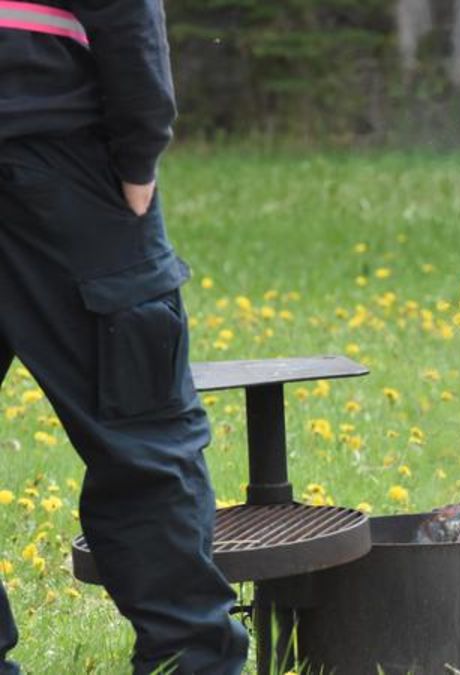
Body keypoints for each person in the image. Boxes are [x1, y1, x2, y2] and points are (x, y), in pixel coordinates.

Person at [0, 1, 247, 672]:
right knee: (142, 436)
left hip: (52, 145)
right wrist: (139, 151)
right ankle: (189, 663)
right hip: (61, 155)